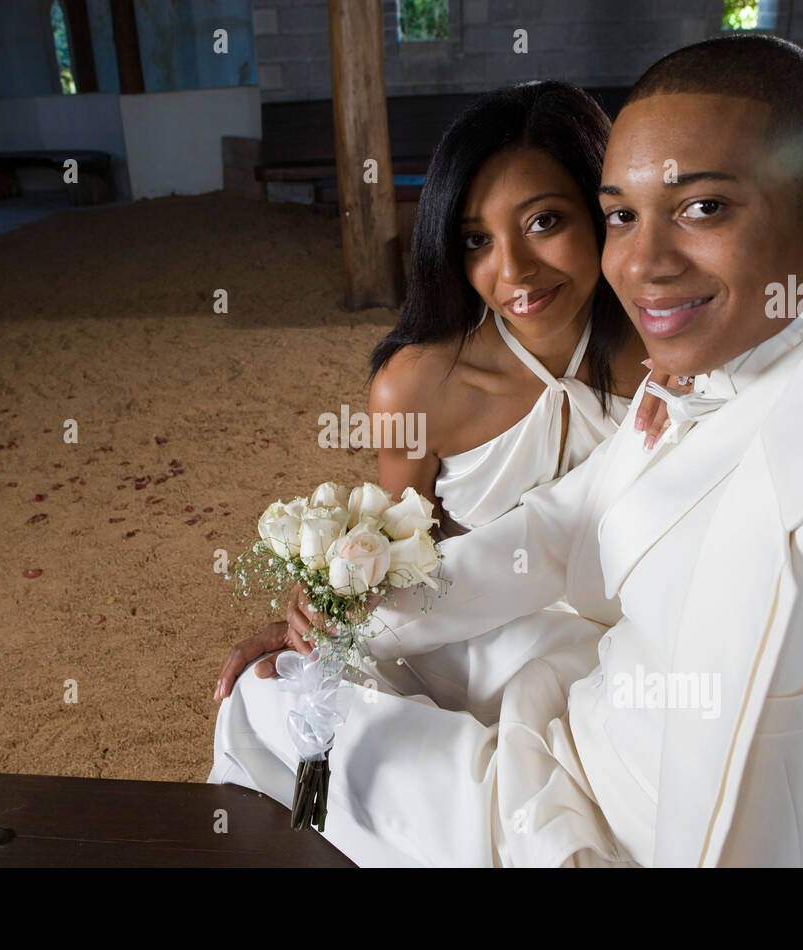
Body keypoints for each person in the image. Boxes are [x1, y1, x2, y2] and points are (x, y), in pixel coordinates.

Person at [282, 34, 803, 866]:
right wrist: (354, 615)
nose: (643, 263)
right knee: (278, 706)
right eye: (624, 216)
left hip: (619, 833)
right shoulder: (705, 365)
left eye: (702, 207)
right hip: (558, 770)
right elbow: (559, 528)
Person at [212, 81, 673, 723]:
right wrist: (327, 605)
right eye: (476, 240)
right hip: (482, 654)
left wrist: (687, 366)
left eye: (544, 221)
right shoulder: (415, 386)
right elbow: (405, 559)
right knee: (275, 705)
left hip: (645, 633)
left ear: (604, 209)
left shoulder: (674, 348)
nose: (512, 270)